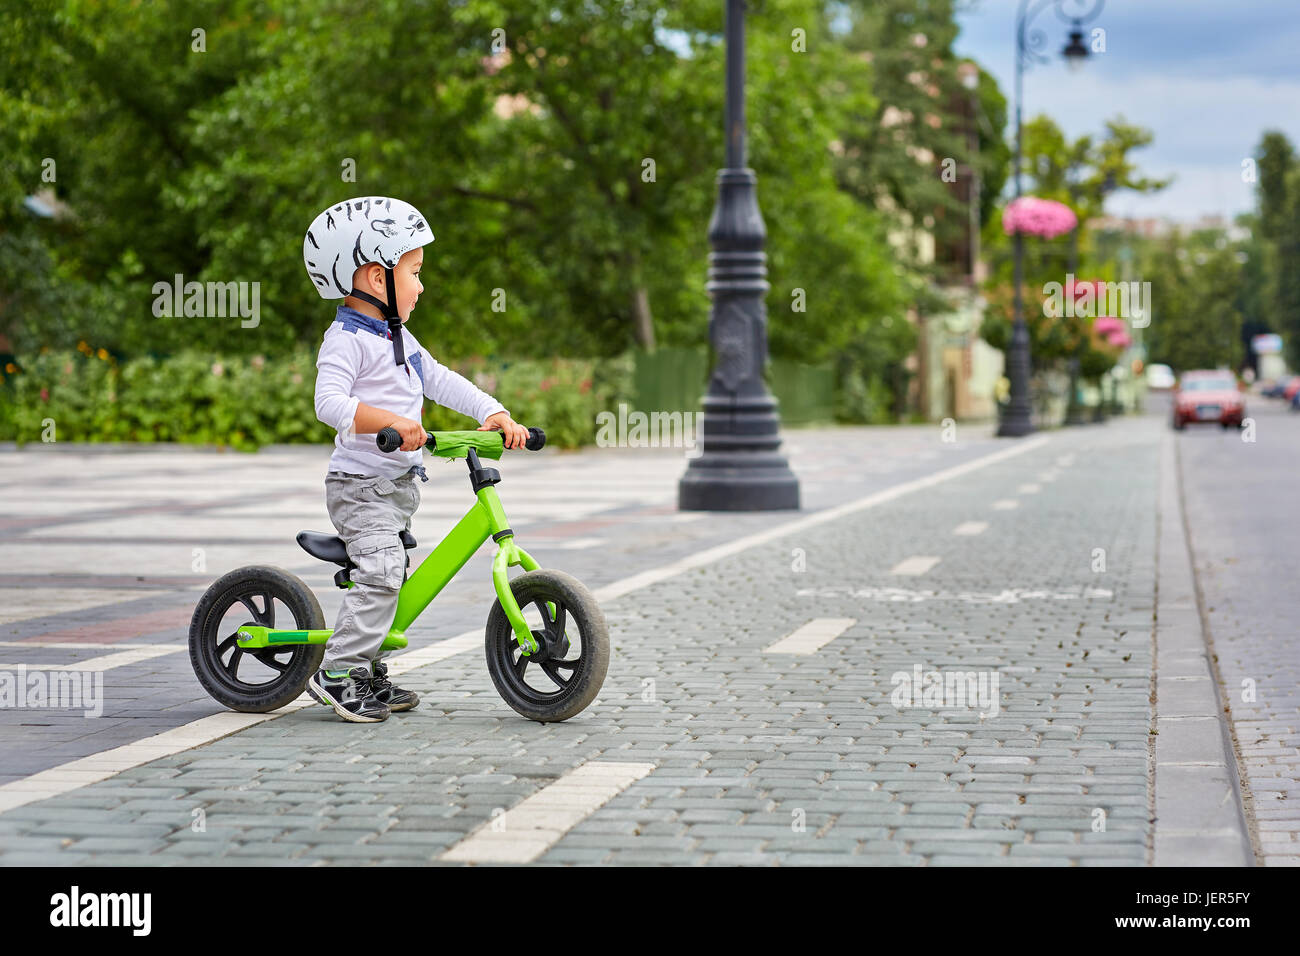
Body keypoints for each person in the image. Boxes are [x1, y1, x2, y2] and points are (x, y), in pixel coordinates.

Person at [303, 196, 529, 722]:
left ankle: (368, 667)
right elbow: (328, 404)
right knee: (382, 573)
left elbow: (441, 378)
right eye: (414, 271)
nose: (422, 285)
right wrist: (390, 421)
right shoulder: (345, 341)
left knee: (394, 577)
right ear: (375, 278)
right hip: (358, 486)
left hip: (397, 486)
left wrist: (493, 412)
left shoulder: (396, 335)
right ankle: (338, 672)